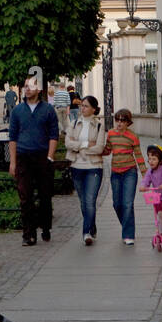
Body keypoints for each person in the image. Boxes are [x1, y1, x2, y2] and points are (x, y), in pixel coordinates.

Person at [8, 75, 59, 246]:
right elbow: (12, 138)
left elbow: (54, 135)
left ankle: (45, 227)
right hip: (24, 158)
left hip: (43, 156)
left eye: (31, 86)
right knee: (25, 197)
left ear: (39, 90)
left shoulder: (48, 110)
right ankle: (28, 234)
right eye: (25, 86)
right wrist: (13, 162)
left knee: (45, 196)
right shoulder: (17, 111)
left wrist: (50, 157)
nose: (27, 89)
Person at [64, 95, 107, 245]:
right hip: (77, 166)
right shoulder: (74, 123)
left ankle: (86, 232)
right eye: (82, 105)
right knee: (83, 202)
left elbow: (99, 147)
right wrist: (86, 145)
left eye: (86, 106)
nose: (82, 108)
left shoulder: (100, 125)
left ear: (93, 109)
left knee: (90, 200)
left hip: (94, 166)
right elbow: (68, 143)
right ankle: (92, 226)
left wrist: (80, 147)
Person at [105, 108, 147, 245]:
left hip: (130, 172)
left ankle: (128, 234)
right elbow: (107, 149)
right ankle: (126, 225)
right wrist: (95, 151)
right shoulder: (111, 134)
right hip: (116, 173)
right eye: (117, 120)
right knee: (117, 204)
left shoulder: (133, 136)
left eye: (122, 121)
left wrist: (146, 176)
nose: (119, 123)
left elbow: (139, 156)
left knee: (127, 204)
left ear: (128, 122)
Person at [139, 145, 162, 249]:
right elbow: (145, 180)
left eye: (154, 159)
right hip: (160, 199)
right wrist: (143, 186)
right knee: (160, 214)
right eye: (149, 159)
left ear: (160, 160)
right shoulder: (149, 172)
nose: (151, 161)